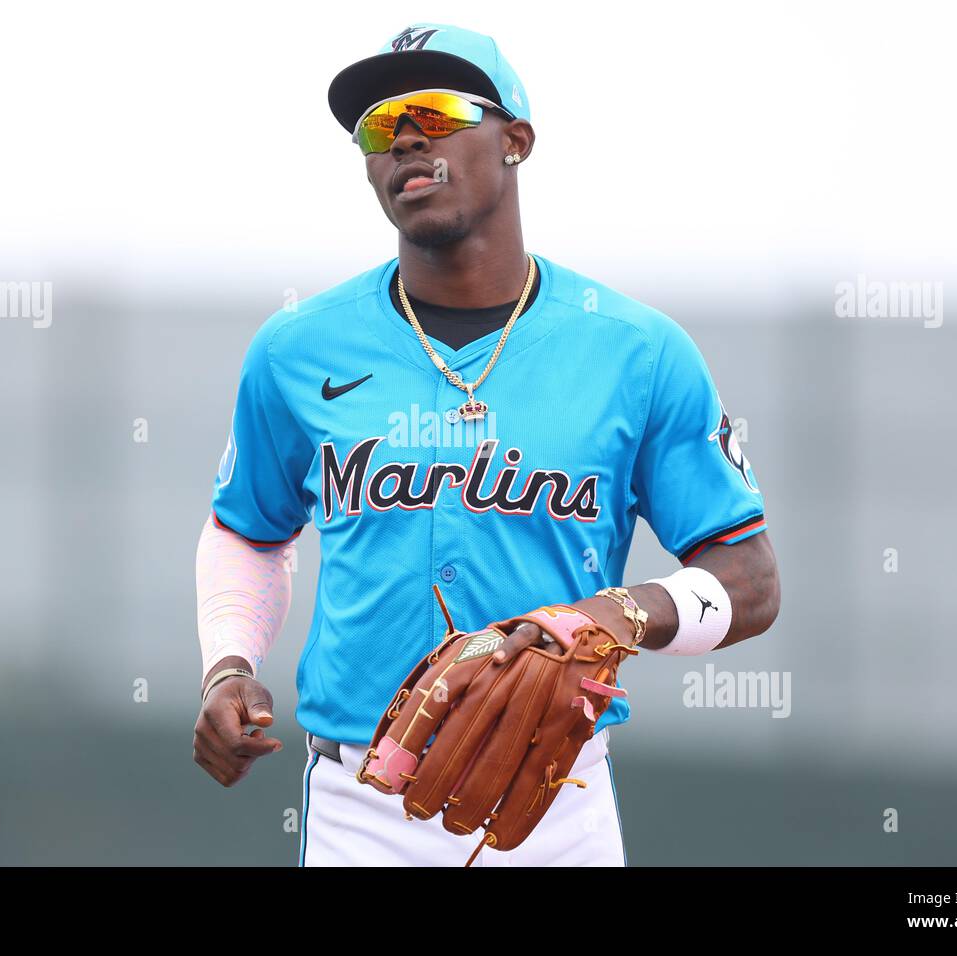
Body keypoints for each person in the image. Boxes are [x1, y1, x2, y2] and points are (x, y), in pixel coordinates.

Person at [192, 23, 781, 866]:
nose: (402, 136)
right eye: (376, 125)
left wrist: (617, 614)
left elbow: (749, 581)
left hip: (557, 805)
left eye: (433, 110)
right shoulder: (297, 351)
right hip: (357, 809)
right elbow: (249, 530)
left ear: (515, 141)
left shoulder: (636, 351)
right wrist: (228, 665)